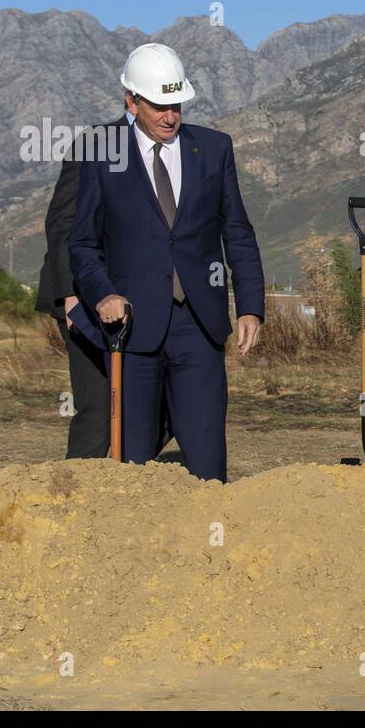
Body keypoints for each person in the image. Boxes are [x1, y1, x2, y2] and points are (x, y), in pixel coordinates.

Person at [68, 43, 265, 482]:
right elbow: (82, 243)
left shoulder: (214, 149)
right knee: (133, 464)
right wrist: (102, 294)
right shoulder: (102, 152)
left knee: (207, 462)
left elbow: (237, 231)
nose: (170, 117)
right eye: (159, 106)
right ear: (131, 101)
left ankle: (210, 542)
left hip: (199, 326)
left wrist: (250, 305)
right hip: (132, 328)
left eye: (176, 105)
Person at [35, 112, 127, 458]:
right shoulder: (97, 144)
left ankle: (129, 483)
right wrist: (72, 295)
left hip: (136, 296)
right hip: (84, 298)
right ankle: (77, 493)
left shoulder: (172, 148)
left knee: (160, 402)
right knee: (99, 406)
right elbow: (63, 224)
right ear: (132, 100)